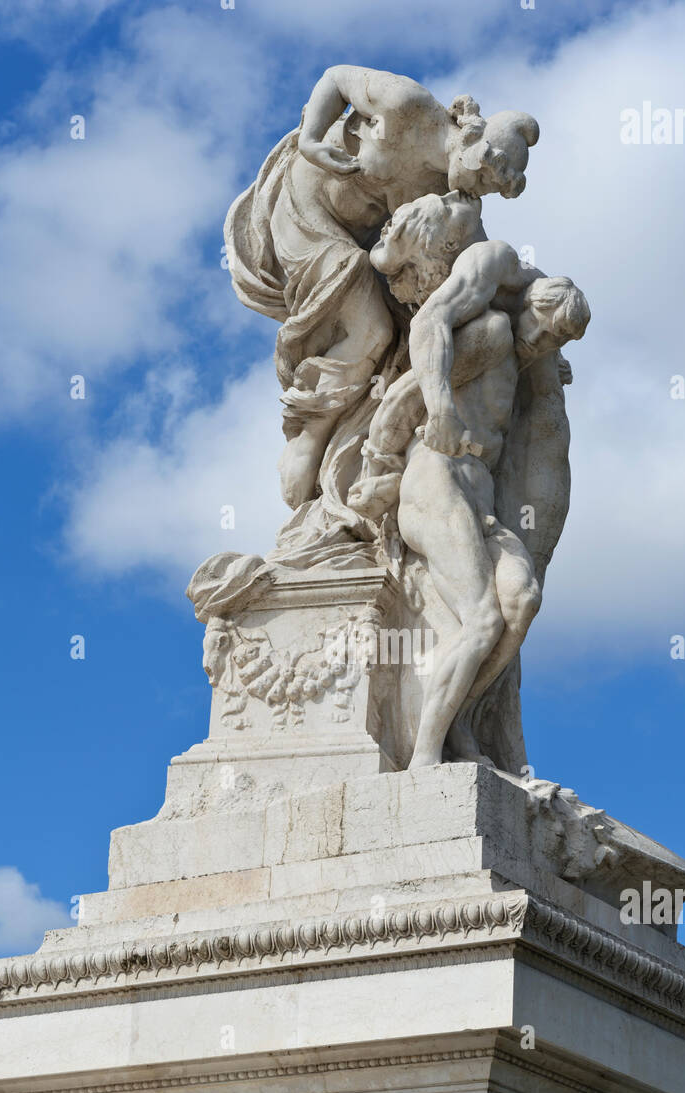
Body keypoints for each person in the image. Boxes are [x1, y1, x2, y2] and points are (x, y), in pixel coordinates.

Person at [224, 66, 539, 511]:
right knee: (370, 326)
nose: (483, 193)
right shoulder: (407, 105)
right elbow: (334, 79)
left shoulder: (444, 189)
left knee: (401, 337)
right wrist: (310, 141)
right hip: (309, 210)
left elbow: (480, 257)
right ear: (475, 152)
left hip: (367, 241)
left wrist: (532, 312)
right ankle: (308, 433)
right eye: (487, 180)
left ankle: (351, 458)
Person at [348, 191, 589, 768]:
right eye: (543, 328)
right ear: (526, 304)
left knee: (521, 600)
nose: (544, 344)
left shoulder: (525, 363)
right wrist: (385, 464)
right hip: (438, 480)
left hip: (476, 493)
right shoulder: (491, 335)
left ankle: (454, 720)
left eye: (555, 341)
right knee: (482, 617)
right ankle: (426, 756)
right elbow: (402, 396)